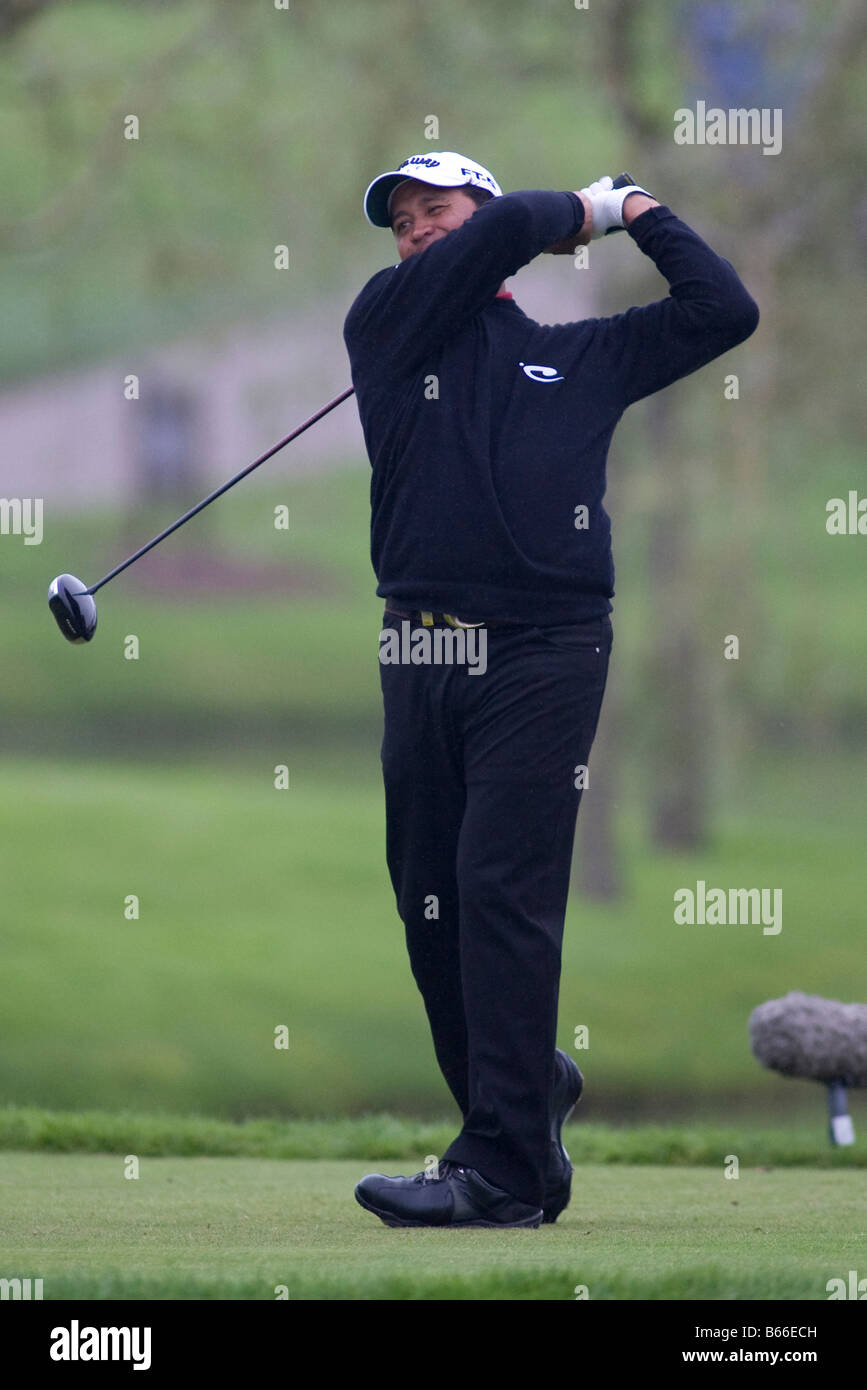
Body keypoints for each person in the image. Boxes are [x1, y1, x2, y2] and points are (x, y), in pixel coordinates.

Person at [343, 151, 758, 1228]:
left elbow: (726, 307)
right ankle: (525, 1108)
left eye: (437, 212)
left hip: (548, 650)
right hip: (420, 650)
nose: (417, 233)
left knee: (498, 891)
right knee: (426, 899)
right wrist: (574, 210)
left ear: (481, 219)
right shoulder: (384, 328)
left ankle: (504, 1175)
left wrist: (642, 213)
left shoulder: (583, 360)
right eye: (402, 221)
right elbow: (508, 228)